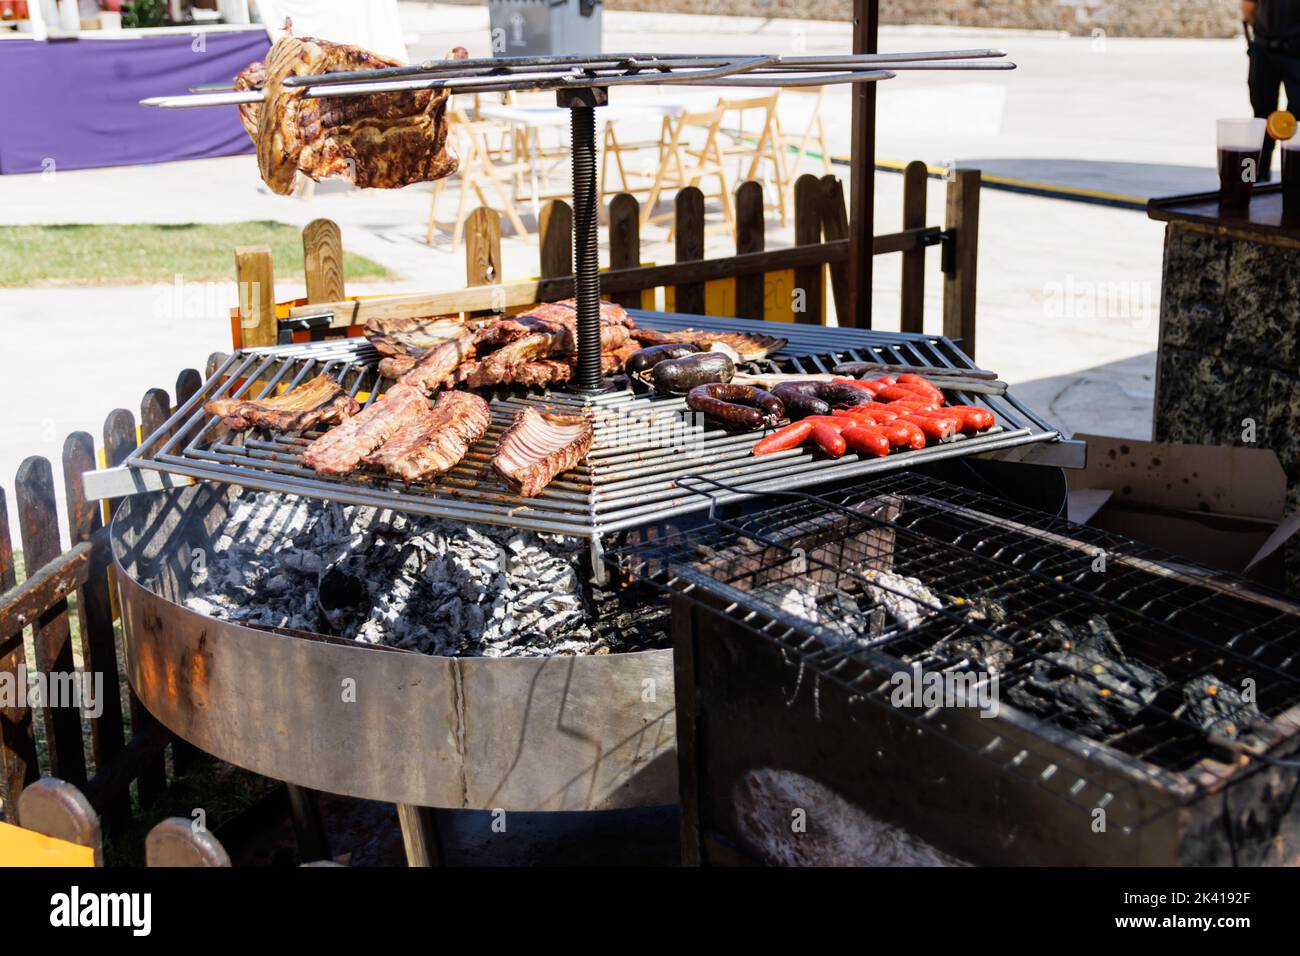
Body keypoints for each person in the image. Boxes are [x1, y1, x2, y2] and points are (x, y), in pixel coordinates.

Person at [1244, 0, 1300, 177]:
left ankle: (1292, 180)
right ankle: (1253, 178)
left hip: (1297, 52)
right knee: (1260, 119)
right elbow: (1248, 7)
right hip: (1263, 50)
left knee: (1297, 117)